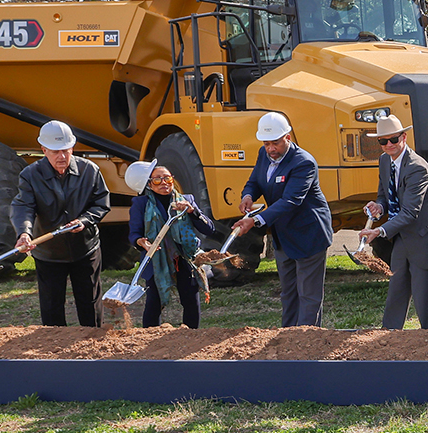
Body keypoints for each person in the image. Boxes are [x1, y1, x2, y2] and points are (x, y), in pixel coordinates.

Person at [235, 111, 334, 327]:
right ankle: (288, 338)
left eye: (276, 143)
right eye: (266, 143)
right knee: (288, 294)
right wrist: (248, 195)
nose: (271, 149)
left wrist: (256, 220)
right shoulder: (265, 155)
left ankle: (307, 342)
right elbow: (255, 180)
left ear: (287, 138)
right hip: (283, 234)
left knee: (308, 295)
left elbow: (291, 201)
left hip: (308, 234)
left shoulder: (303, 163)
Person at [10, 120, 111, 327]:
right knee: (51, 305)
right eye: (55, 152)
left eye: (66, 150)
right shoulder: (30, 175)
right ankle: (54, 350)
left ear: (72, 147)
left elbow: (101, 204)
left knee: (90, 302)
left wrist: (85, 220)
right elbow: (23, 207)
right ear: (43, 150)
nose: (62, 157)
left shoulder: (89, 171)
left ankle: (92, 345)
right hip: (49, 253)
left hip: (85, 248)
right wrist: (24, 233)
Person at [359, 116, 428, 329]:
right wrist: (379, 207)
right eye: (383, 141)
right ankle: (388, 341)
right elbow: (385, 196)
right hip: (403, 239)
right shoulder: (384, 161)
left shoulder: (417, 168)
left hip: (425, 240)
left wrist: (379, 231)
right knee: (396, 292)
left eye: (393, 139)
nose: (389, 145)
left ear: (404, 137)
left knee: (423, 301)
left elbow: (410, 213)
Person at [125, 160, 223, 328]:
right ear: (149, 184)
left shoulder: (187, 200)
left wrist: (193, 211)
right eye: (157, 179)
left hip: (184, 258)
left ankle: (190, 336)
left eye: (167, 178)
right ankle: (150, 338)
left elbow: (209, 229)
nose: (164, 183)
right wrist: (141, 242)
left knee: (190, 299)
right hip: (157, 260)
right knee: (154, 301)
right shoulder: (141, 204)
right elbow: (134, 233)